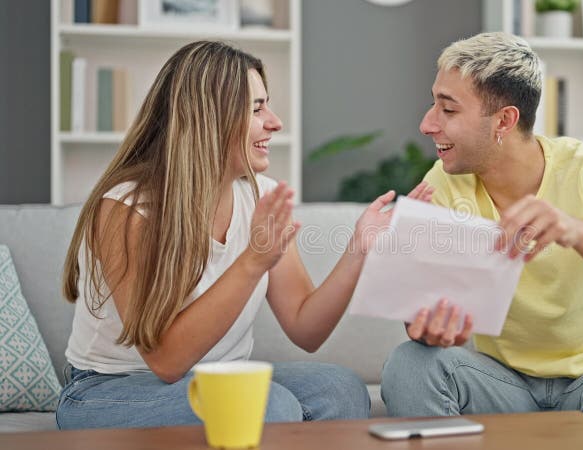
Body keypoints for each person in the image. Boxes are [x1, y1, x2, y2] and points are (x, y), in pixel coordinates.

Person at [57, 41, 433, 429]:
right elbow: (166, 362)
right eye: (256, 108)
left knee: (340, 389)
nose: (275, 122)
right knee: (262, 406)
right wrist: (254, 260)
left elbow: (305, 328)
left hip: (216, 379)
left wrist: (359, 249)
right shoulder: (127, 208)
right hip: (109, 391)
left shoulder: (260, 195)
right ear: (209, 118)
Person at [380, 32, 583, 440]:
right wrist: (428, 323)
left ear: (504, 120)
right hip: (504, 386)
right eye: (435, 103)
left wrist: (574, 230)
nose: (427, 123)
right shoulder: (446, 183)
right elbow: (423, 311)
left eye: (447, 109)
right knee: (411, 364)